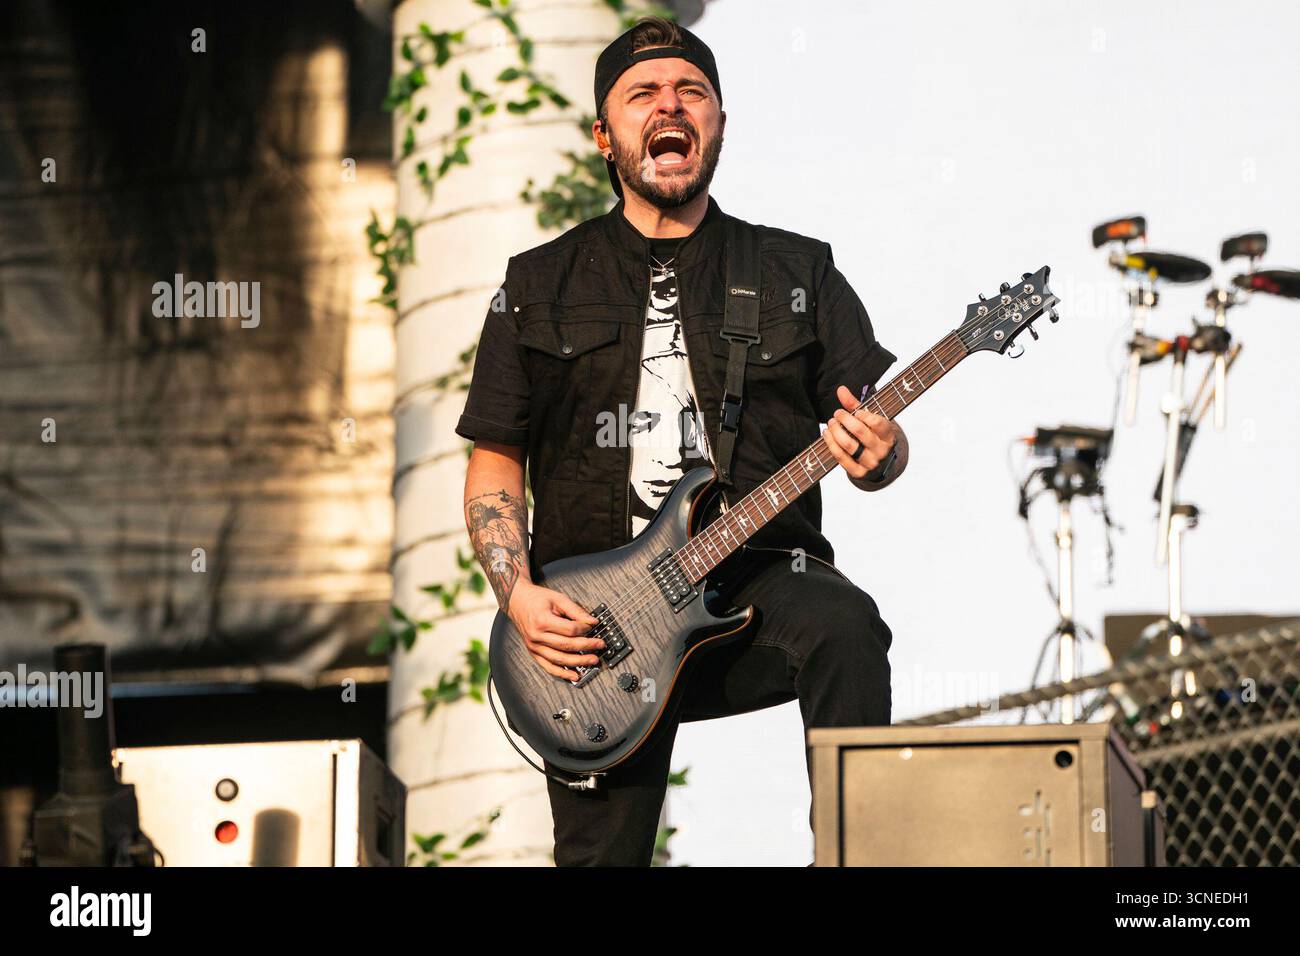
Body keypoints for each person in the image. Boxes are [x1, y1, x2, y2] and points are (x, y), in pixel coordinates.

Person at [457, 16, 906, 866]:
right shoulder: (537, 283)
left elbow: (874, 432)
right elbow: (493, 461)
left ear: (719, 124)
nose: (671, 105)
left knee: (847, 627)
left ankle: (856, 857)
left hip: (757, 579)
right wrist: (517, 595)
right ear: (604, 136)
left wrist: (883, 453)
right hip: (594, 624)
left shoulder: (796, 271)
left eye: (691, 91)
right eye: (644, 94)